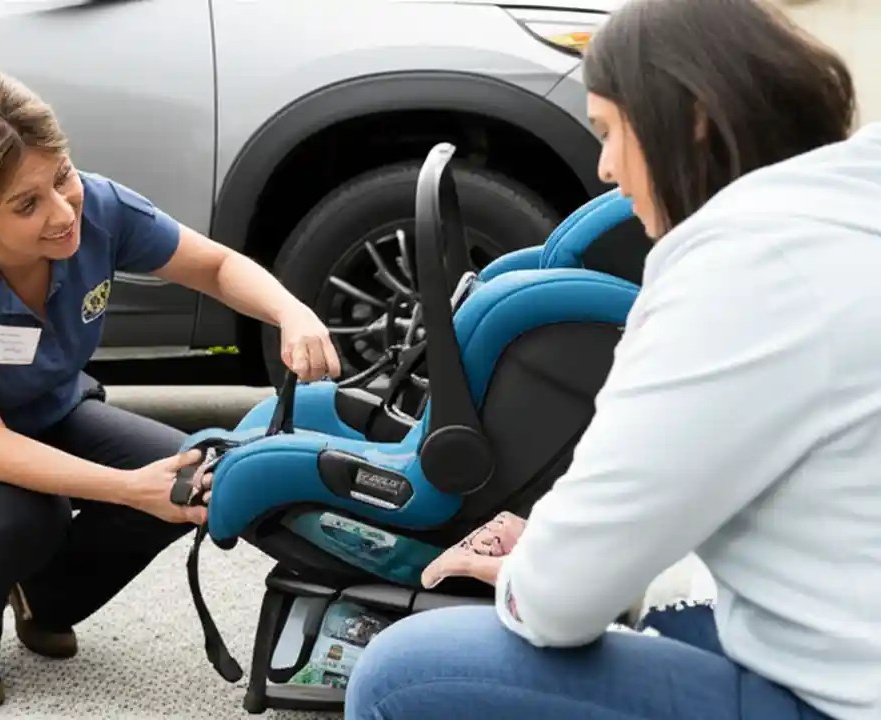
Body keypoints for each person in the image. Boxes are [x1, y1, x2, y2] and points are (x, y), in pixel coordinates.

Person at [345, 1, 880, 719]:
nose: (605, 169)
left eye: (607, 130)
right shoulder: (852, 200)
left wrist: (529, 568)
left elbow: (558, 604)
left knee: (403, 675)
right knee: (670, 607)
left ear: (689, 116)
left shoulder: (735, 265)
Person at [0, 67, 341, 709]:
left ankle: (46, 598)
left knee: (192, 473)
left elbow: (215, 265)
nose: (61, 212)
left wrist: (291, 313)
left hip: (46, 408)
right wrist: (133, 489)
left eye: (61, 177)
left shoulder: (98, 207)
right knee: (18, 512)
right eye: (26, 205)